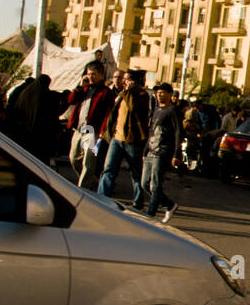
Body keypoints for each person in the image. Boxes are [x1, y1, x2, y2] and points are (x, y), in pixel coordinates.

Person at [99, 68, 150, 207]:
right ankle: (101, 197)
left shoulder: (141, 94)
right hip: (117, 138)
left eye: (127, 79)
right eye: (124, 79)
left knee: (135, 172)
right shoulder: (122, 94)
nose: (124, 81)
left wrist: (130, 90)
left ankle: (138, 201)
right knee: (108, 169)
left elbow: (134, 108)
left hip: (132, 139)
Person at [64, 60, 116, 190]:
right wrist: (80, 87)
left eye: (93, 74)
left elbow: (107, 114)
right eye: (88, 74)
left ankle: (82, 188)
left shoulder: (106, 93)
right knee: (73, 158)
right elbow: (70, 100)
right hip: (78, 129)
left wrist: (101, 133)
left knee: (88, 162)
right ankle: (91, 180)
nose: (90, 77)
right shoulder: (84, 89)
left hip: (92, 131)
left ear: (100, 75)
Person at [142, 83, 181, 221]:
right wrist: (145, 150)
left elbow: (178, 132)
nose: (159, 95)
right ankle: (169, 204)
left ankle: (150, 213)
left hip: (163, 151)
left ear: (170, 94)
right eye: (158, 93)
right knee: (145, 183)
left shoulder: (172, 111)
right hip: (151, 151)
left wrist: (177, 153)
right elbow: (151, 131)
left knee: (156, 184)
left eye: (163, 92)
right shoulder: (157, 110)